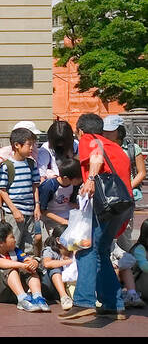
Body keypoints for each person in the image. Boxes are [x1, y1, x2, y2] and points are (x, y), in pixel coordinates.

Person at [62, 113, 134, 323]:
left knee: (86, 249)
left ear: (81, 130)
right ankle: (114, 305)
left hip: (107, 204)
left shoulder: (89, 139)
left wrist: (91, 178)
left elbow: (96, 157)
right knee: (102, 252)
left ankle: (83, 302)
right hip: (123, 205)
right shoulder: (114, 146)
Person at [0, 219, 50, 312]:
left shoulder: (15, 251)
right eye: (12, 237)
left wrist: (32, 263)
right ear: (1, 243)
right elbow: (0, 262)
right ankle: (22, 299)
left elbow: (26, 259)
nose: (15, 239)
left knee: (29, 269)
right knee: (11, 270)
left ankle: (38, 297)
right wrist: (21, 265)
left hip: (11, 292)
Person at [0, 126, 41, 252]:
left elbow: (35, 186)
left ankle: (26, 270)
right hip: (14, 213)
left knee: (29, 246)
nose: (32, 148)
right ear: (17, 145)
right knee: (12, 244)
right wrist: (14, 210)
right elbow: (2, 190)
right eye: (29, 145)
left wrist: (37, 205)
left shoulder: (31, 164)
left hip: (29, 212)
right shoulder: (6, 166)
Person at [38, 158, 81, 246]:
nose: (81, 181)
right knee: (60, 245)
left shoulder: (74, 185)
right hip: (53, 220)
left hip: (69, 217)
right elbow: (42, 210)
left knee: (74, 245)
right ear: (66, 178)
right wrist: (62, 221)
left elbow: (71, 202)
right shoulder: (49, 186)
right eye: (78, 178)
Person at [103, 114, 145, 203]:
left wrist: (128, 187)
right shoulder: (101, 148)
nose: (106, 134)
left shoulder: (133, 148)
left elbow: (142, 172)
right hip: (106, 193)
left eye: (110, 131)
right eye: (104, 131)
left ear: (120, 131)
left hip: (127, 194)